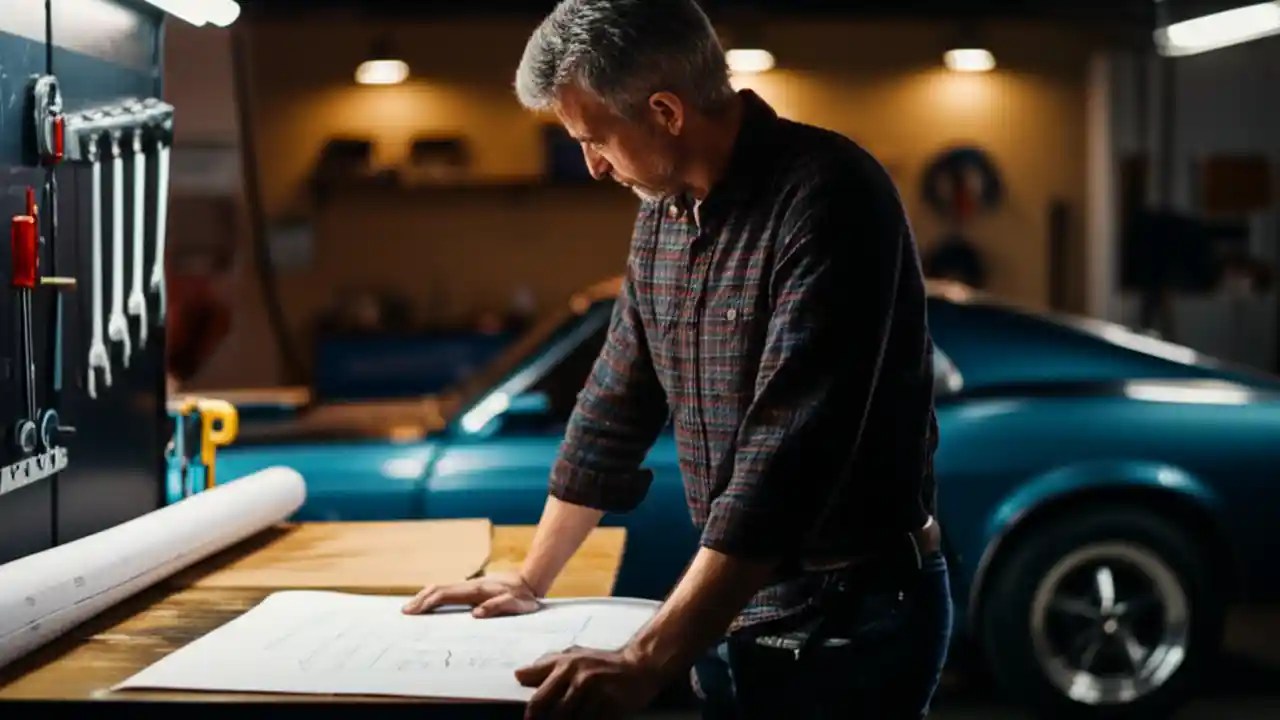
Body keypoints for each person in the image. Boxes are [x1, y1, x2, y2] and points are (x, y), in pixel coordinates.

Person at [401, 1, 952, 717]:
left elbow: (784, 460)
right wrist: (530, 578)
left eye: (594, 139)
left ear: (665, 112)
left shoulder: (829, 195)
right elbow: (614, 406)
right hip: (738, 603)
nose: (593, 166)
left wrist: (647, 659)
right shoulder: (662, 215)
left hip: (852, 617)